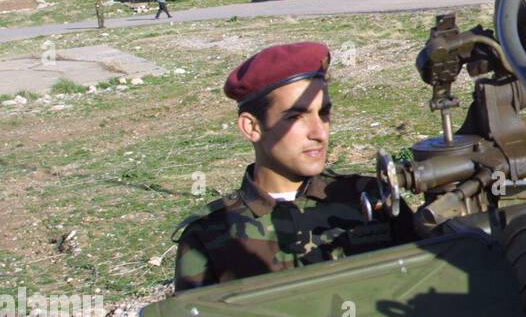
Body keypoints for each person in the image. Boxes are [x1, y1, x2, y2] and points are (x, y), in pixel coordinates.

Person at [173, 42, 414, 291]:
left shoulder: (373, 197)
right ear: (252, 127)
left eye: (323, 113)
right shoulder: (210, 235)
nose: (319, 133)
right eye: (295, 117)